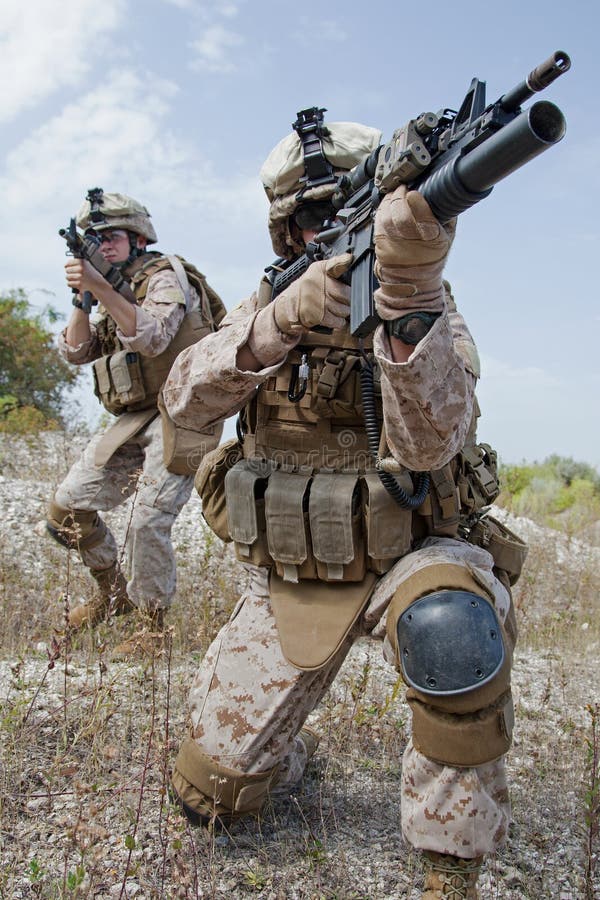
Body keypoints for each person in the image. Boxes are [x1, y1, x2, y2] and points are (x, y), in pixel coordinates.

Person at [162, 110, 527, 897]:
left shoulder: (428, 300)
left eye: (340, 213)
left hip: (413, 552)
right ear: (286, 230)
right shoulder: (267, 299)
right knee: (210, 795)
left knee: (451, 630)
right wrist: (274, 328)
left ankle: (449, 863)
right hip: (295, 568)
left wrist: (409, 299)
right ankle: (285, 753)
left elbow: (430, 448)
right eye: (310, 217)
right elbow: (183, 401)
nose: (323, 230)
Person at [47, 188, 225, 656]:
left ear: (139, 238)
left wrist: (102, 288)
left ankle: (152, 628)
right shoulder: (111, 289)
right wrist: (84, 298)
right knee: (67, 509)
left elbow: (152, 338)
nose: (103, 246)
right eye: (95, 240)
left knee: (147, 521)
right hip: (138, 414)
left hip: (185, 410)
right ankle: (112, 595)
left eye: (112, 237)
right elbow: (75, 351)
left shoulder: (166, 277)